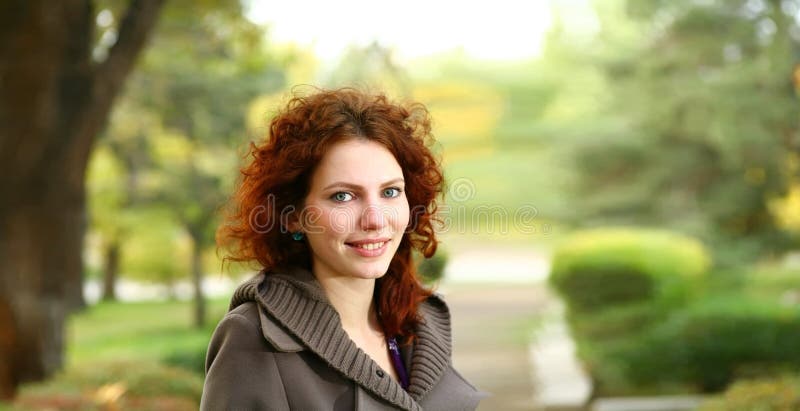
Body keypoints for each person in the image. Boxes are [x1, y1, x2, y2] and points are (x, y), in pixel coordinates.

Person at [200, 88, 486, 411]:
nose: (375, 219)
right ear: (293, 215)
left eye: (390, 191)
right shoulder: (253, 341)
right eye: (343, 196)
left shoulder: (418, 326)